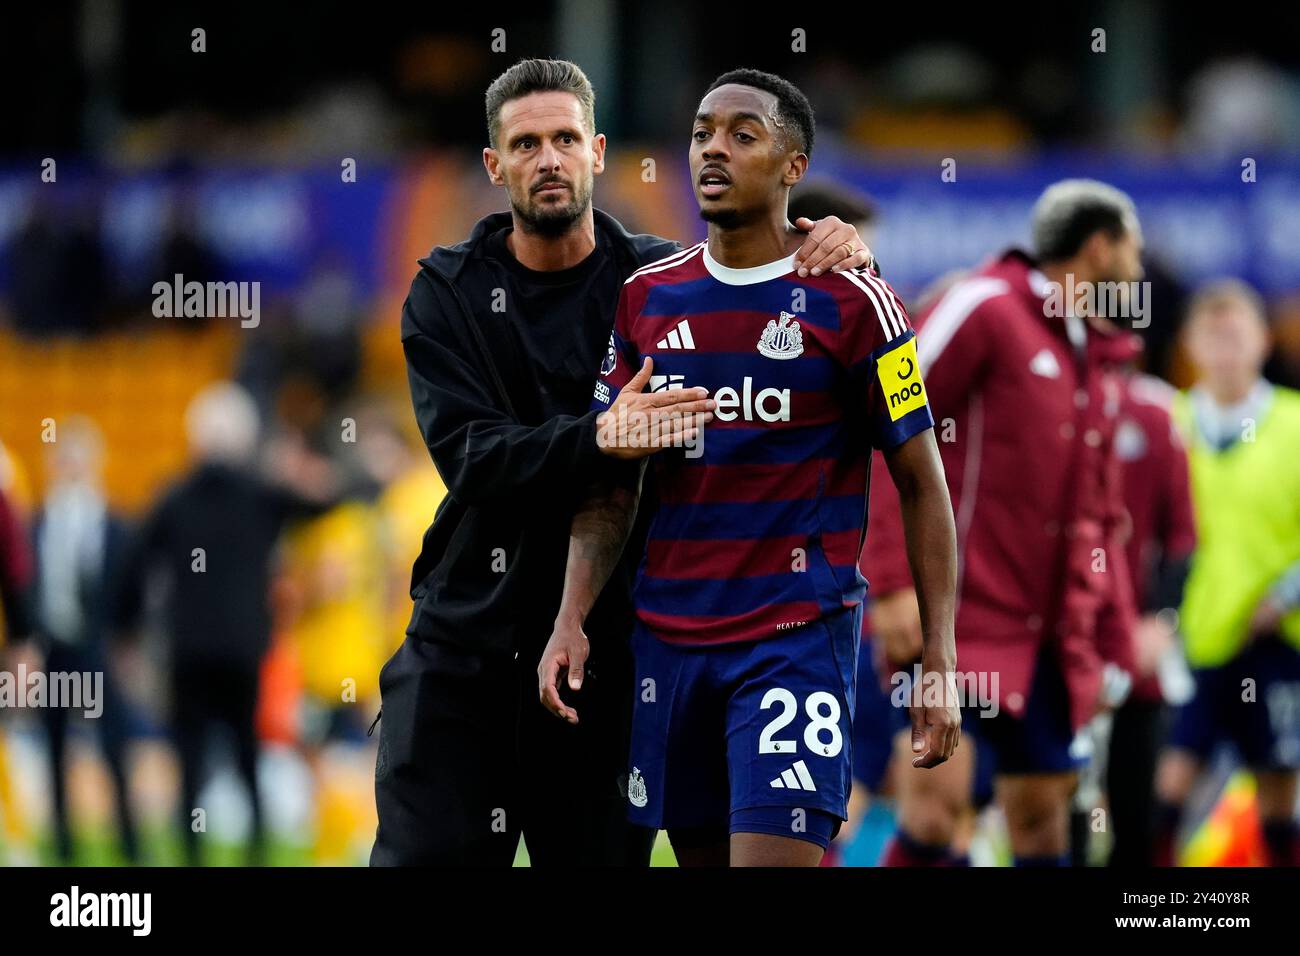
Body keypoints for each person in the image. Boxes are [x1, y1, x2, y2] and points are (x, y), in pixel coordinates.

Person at [369, 58, 874, 867]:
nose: (549, 160)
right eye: (526, 144)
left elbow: (766, 267)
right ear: (495, 166)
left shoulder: (662, 283)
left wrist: (831, 238)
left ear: (597, 151)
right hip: (468, 652)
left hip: (611, 662)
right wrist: (603, 433)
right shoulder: (447, 292)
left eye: (566, 138)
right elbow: (474, 459)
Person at [539, 68, 959, 867]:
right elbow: (610, 479)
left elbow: (922, 481)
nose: (713, 150)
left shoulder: (854, 302)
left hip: (792, 642)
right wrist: (572, 614)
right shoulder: (647, 299)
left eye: (743, 134)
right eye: (702, 133)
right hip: (669, 644)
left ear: (793, 166)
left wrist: (939, 654)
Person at [864, 179, 1144, 866]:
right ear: (1101, 248)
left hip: (1050, 634)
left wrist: (1108, 631)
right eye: (1133, 251)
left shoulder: (1099, 352)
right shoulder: (982, 304)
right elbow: (885, 423)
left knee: (1045, 822)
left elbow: (1100, 517)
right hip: (957, 622)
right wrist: (894, 579)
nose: (1139, 270)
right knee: (934, 811)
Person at [115, 382, 334, 865]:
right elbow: (323, 503)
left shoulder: (174, 495)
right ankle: (255, 849)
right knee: (246, 753)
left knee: (189, 756)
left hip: (188, 647)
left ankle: (191, 851)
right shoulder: (260, 494)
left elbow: (133, 565)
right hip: (243, 647)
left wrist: (125, 629)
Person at [1154, 279, 1300, 867]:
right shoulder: (1171, 422)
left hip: (1276, 639)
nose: (1225, 348)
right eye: (1211, 335)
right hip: (1196, 640)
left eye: (1236, 332)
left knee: (1277, 789)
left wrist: (1286, 594)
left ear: (1263, 341)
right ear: (1190, 344)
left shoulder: (1293, 424)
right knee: (1168, 785)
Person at [30, 416, 140, 863]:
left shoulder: (114, 524)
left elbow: (129, 590)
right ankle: (62, 845)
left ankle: (129, 844)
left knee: (114, 746)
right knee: (53, 749)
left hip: (98, 650)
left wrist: (124, 642)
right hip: (55, 649)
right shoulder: (38, 523)